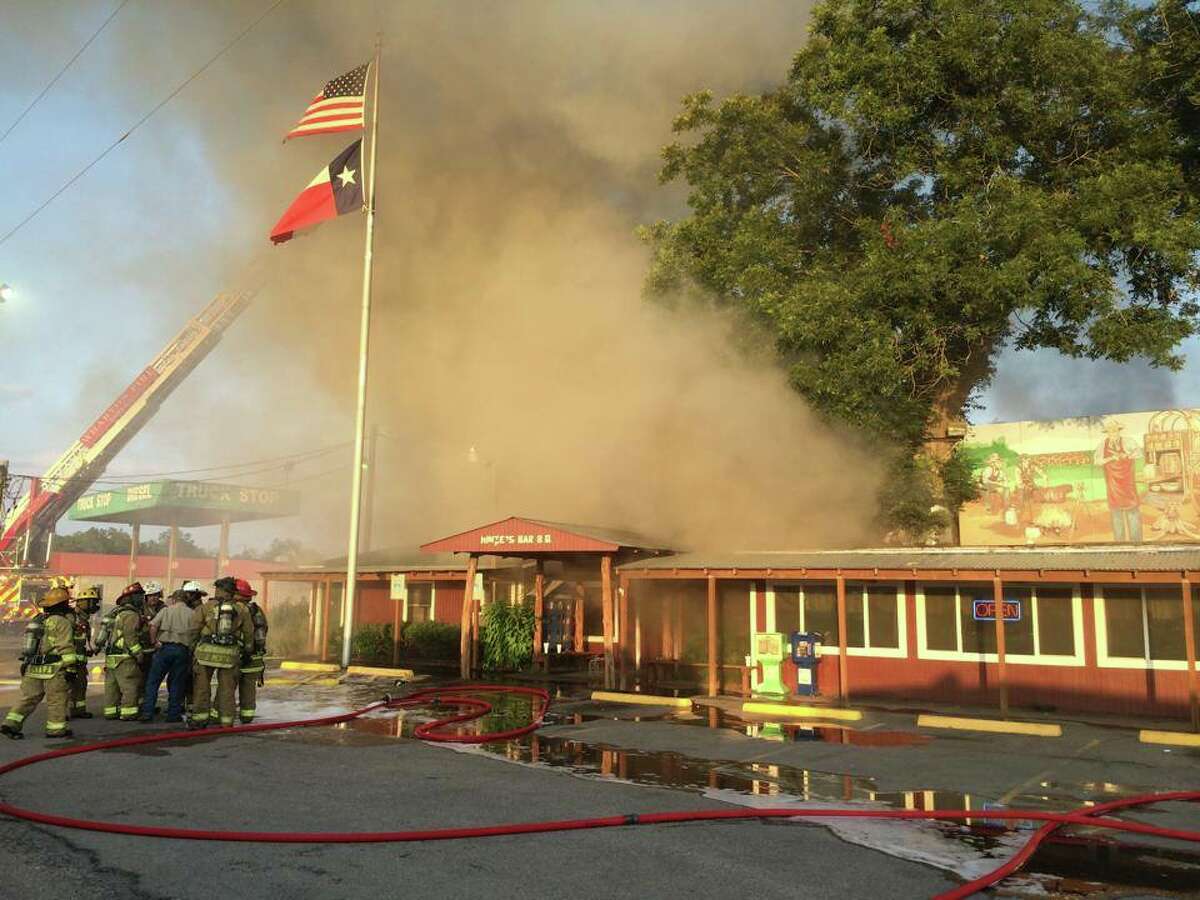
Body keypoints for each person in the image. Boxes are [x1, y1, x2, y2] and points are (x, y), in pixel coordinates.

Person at [1, 587, 81, 739]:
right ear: (63, 604)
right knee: (56, 698)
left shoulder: (38, 620)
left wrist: (26, 663)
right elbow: (65, 647)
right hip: (54, 668)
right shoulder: (62, 622)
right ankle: (56, 730)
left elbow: (30, 646)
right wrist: (71, 668)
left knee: (29, 697)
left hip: (33, 666)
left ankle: (10, 724)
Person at [190, 576, 251, 729]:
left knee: (202, 687)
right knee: (227, 689)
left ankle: (199, 719)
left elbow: (194, 630)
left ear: (218, 590)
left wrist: (192, 648)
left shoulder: (205, 607)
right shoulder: (241, 610)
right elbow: (248, 633)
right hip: (229, 656)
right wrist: (247, 651)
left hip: (205, 655)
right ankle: (226, 721)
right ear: (232, 592)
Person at [138, 589, 197, 723]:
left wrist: (154, 642)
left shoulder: (165, 610)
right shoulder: (192, 613)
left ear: (174, 599)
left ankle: (147, 713)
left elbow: (153, 626)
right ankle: (173, 714)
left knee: (153, 682)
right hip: (182, 650)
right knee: (177, 683)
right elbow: (195, 633)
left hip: (164, 649)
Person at [102, 583, 147, 721]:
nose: (141, 599)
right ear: (131, 598)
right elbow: (130, 636)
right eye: (139, 596)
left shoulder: (116, 613)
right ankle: (129, 713)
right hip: (125, 657)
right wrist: (138, 653)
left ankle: (111, 711)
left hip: (112, 656)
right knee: (130, 685)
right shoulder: (131, 615)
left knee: (112, 687)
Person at [1094, 418, 1143, 542]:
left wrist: (1127, 455)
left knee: (1132, 510)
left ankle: (1136, 542)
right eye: (1110, 431)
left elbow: (1139, 453)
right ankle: (1119, 543)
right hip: (1113, 484)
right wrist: (1111, 458)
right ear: (1107, 433)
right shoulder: (1102, 445)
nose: (1113, 433)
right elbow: (1097, 461)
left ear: (1119, 430)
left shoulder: (1128, 441)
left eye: (1115, 430)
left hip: (1127, 483)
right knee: (1116, 512)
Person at [235, 579, 268, 723]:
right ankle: (247, 716)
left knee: (227, 688)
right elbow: (264, 629)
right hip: (255, 656)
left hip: (236, 655)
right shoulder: (257, 610)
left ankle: (222, 717)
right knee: (249, 688)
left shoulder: (234, 609)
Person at [67, 585, 101, 720]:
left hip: (80, 662)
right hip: (70, 660)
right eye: (92, 602)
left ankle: (79, 710)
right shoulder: (72, 617)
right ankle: (65, 712)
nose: (94, 606)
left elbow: (82, 640)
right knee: (68, 687)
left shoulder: (83, 619)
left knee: (81, 685)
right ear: (82, 602)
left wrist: (88, 650)